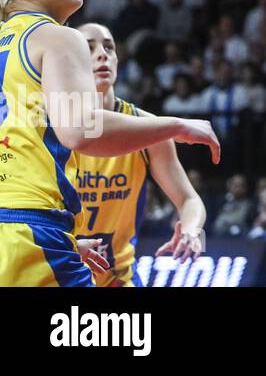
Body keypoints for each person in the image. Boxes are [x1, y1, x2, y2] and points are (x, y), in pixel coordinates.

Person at [0, 0, 218, 286]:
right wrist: (177, 125)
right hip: (33, 231)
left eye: (110, 46)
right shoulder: (56, 35)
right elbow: (81, 130)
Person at [71, 22, 208, 287]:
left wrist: (191, 230)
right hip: (62, 270)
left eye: (108, 47)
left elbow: (190, 199)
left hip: (118, 276)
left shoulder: (148, 129)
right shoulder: (52, 127)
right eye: (89, 48)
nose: (102, 54)